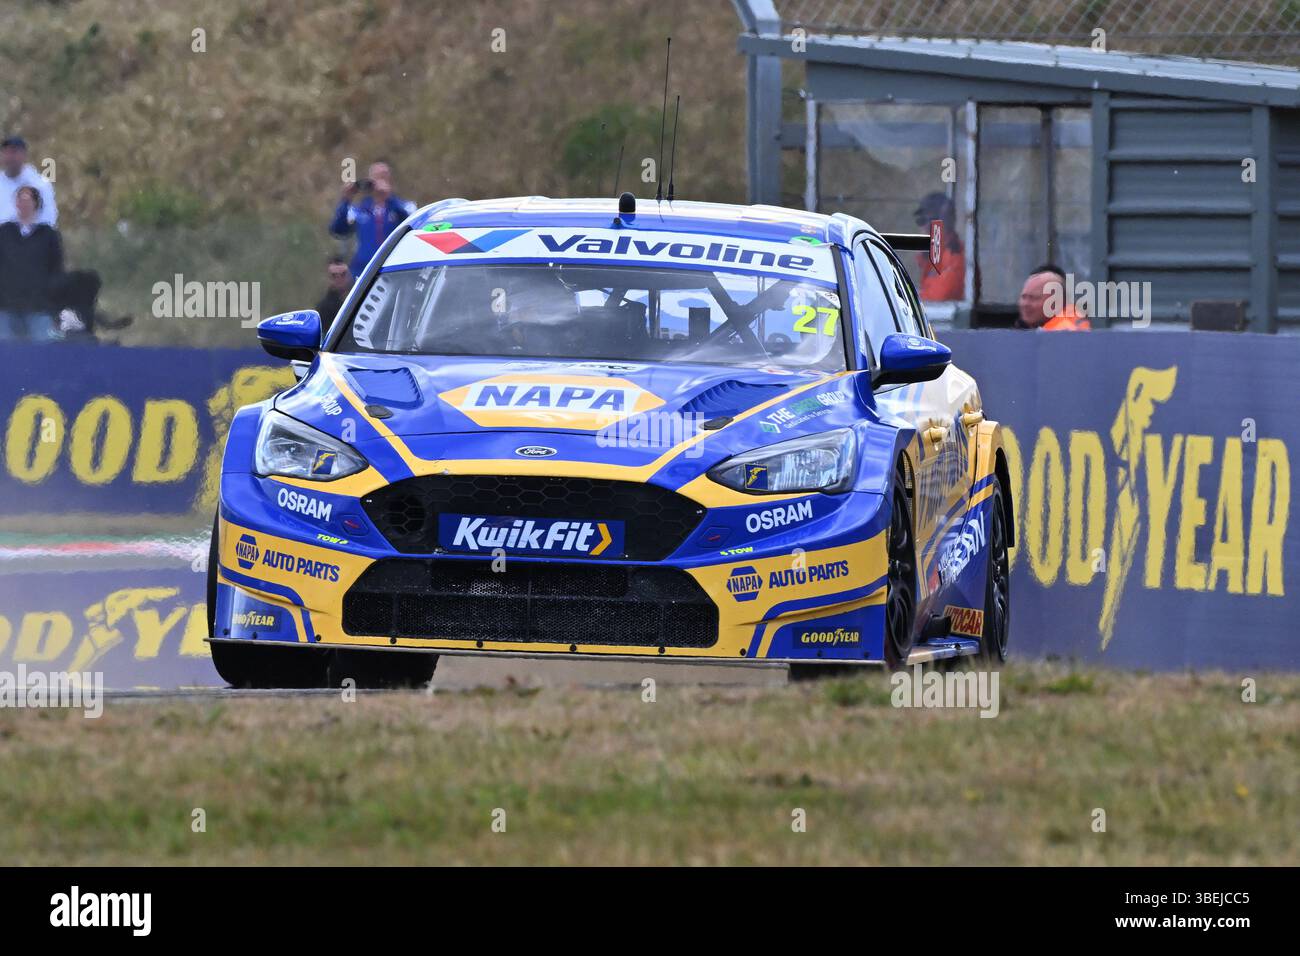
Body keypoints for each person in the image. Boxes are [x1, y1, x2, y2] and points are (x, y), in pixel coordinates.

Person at [329, 160, 416, 277]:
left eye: (383, 177)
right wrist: (346, 199)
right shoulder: (360, 209)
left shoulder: (404, 206)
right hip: (363, 270)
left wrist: (389, 198)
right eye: (375, 178)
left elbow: (412, 224)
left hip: (394, 269)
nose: (378, 183)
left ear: (390, 180)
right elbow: (338, 230)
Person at [0, 185, 64, 340]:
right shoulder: (4, 233)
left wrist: (53, 302)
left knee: (41, 356)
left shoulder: (49, 235)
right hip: (6, 308)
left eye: (27, 200)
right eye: (20, 200)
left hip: (39, 309)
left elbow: (57, 270)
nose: (23, 204)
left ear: (36, 203)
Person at [912, 192, 965, 302]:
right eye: (920, 221)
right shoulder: (936, 255)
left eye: (923, 221)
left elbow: (937, 299)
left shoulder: (954, 258)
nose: (922, 227)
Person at [0, 135, 58, 227]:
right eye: (6, 152)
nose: (10, 157)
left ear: (24, 155)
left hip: (32, 239)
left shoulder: (40, 185)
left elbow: (49, 220)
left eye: (14, 152)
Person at [1016, 263, 1091, 331]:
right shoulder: (1027, 328)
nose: (1025, 304)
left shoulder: (1066, 332)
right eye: (1023, 297)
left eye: (1034, 298)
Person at [315, 256, 352, 327]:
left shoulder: (362, 295)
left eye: (343, 274)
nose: (339, 279)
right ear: (328, 279)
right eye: (334, 276)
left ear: (349, 274)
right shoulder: (324, 309)